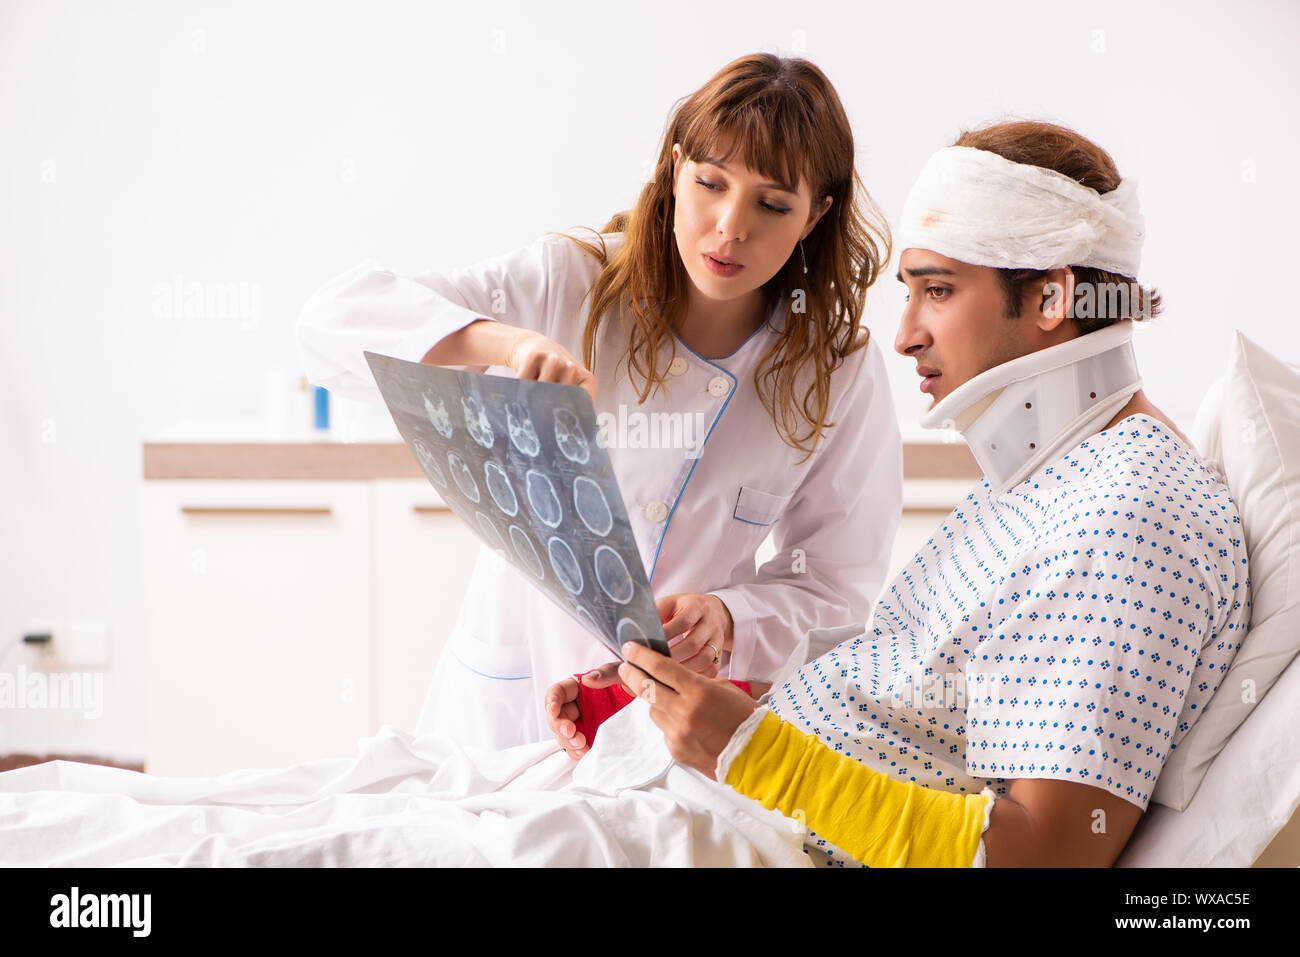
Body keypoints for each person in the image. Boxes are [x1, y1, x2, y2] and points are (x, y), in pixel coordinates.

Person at [549, 120, 1251, 867]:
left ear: (1053, 297)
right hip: (712, 807)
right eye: (909, 292)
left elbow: (1045, 855)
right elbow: (910, 722)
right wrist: (680, 710)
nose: (906, 334)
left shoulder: (1129, 518)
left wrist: (750, 751)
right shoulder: (1044, 478)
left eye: (938, 291)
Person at [296, 53, 903, 751]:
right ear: (676, 170)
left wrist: (730, 617)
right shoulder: (571, 282)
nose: (731, 226)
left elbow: (836, 583)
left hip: (669, 729)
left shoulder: (838, 370)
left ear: (816, 215)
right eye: (710, 183)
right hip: (507, 706)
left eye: (772, 204)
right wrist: (505, 345)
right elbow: (331, 319)